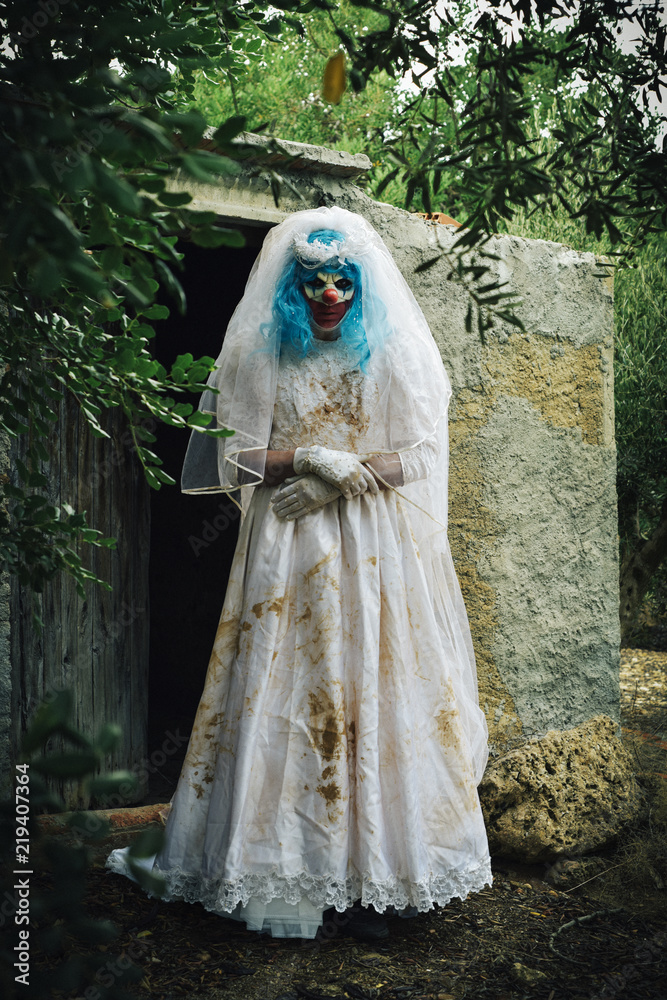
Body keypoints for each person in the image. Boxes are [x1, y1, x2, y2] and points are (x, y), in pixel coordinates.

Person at [107, 206, 491, 940]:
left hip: (372, 546)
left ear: (362, 284)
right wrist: (306, 459)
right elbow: (231, 456)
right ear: (292, 287)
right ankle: (279, 873)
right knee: (285, 689)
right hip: (286, 548)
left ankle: (380, 875)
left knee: (375, 683)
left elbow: (422, 452)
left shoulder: (393, 354)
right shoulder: (262, 356)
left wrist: (344, 479)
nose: (329, 294)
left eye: (343, 280)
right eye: (314, 281)